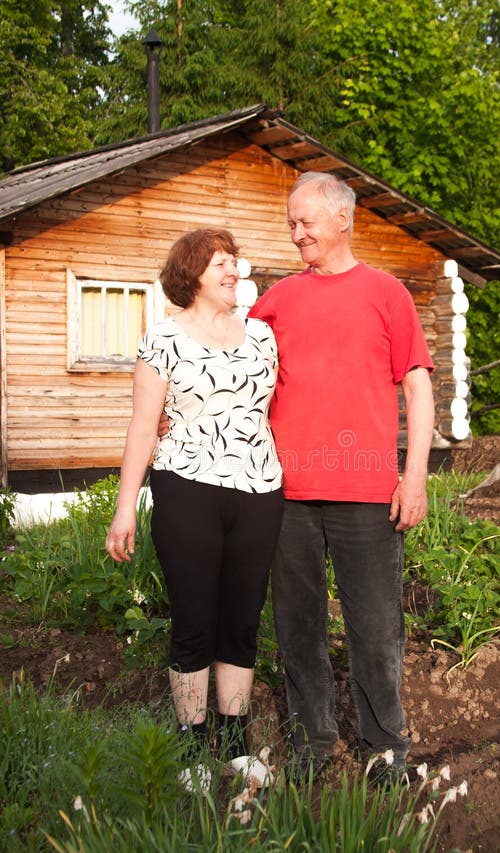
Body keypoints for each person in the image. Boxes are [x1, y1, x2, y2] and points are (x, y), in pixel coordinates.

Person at [247, 172, 435, 784]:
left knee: (375, 628)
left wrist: (415, 478)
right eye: (291, 224)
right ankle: (311, 745)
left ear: (342, 219)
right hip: (288, 494)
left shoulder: (388, 294)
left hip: (366, 493)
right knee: (297, 626)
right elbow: (234, 367)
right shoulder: (277, 300)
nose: (295, 233)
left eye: (305, 222)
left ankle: (385, 750)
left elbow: (418, 386)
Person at [106, 228, 283, 792]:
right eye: (220, 263)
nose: (233, 271)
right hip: (187, 486)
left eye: (235, 261)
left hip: (260, 490)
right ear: (190, 274)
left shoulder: (263, 338)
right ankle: (191, 755)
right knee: (194, 622)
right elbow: (142, 425)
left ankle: (234, 746)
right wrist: (124, 508)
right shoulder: (162, 339)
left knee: (242, 621)